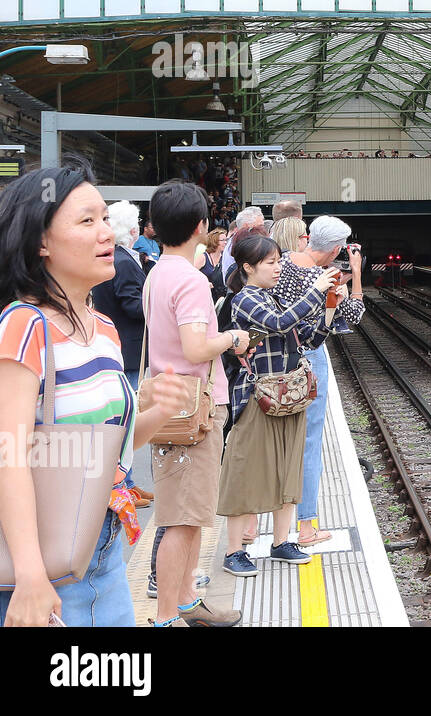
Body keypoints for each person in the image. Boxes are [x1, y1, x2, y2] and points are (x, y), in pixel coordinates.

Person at [0, 163, 190, 627]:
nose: (107, 232)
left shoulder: (103, 329)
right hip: (46, 562)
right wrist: (30, 576)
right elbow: (9, 455)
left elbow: (109, 449)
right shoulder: (24, 327)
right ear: (41, 241)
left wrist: (158, 411)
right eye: (87, 221)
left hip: (102, 551)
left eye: (106, 218)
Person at [145, 181, 250, 627]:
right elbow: (193, 348)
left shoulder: (157, 272)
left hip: (175, 406)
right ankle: (167, 616)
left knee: (187, 515)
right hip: (194, 411)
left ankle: (188, 602)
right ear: (201, 226)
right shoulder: (188, 279)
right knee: (184, 520)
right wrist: (232, 337)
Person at [218, 236, 340, 574]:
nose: (278, 267)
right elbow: (278, 324)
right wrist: (315, 291)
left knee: (289, 468)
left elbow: (310, 339)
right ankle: (233, 551)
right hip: (258, 397)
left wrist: (328, 309)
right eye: (270, 262)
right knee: (246, 471)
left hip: (289, 394)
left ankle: (282, 542)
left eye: (277, 261)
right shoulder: (244, 300)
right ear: (247, 267)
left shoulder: (271, 297)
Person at [282, 216, 365, 546]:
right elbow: (353, 317)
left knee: (278, 439)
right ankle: (306, 526)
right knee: (309, 442)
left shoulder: (283, 262)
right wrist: (355, 274)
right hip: (308, 360)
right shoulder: (324, 278)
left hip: (276, 357)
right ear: (334, 249)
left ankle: (248, 527)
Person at [90, 201, 151, 507]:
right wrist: (155, 302)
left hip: (120, 346)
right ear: (132, 230)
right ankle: (123, 484)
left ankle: (128, 483)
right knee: (124, 420)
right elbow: (131, 304)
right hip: (127, 349)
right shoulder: (125, 261)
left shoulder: (114, 258)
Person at [222, 206, 266, 281]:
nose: (263, 230)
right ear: (246, 226)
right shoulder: (239, 244)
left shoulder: (234, 241)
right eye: (260, 226)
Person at [198, 228, 226, 302]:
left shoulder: (224, 258)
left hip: (220, 297)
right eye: (222, 240)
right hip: (205, 297)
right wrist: (204, 283)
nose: (225, 242)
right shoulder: (204, 257)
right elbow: (190, 274)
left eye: (226, 240)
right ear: (215, 241)